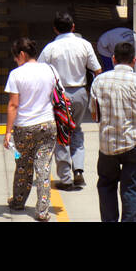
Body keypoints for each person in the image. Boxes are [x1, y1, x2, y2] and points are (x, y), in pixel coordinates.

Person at [88, 40, 136, 223]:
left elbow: (94, 114)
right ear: (134, 60)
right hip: (133, 145)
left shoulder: (99, 81)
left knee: (106, 186)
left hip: (107, 147)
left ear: (113, 59)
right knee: (132, 189)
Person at [38, 12, 102, 191]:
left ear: (55, 29)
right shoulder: (84, 44)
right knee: (77, 130)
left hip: (60, 96)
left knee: (61, 134)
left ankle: (66, 178)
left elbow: (40, 71)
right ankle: (79, 169)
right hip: (81, 93)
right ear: (73, 26)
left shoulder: (50, 48)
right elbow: (97, 70)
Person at [4, 37, 59, 221]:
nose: (14, 60)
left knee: (22, 165)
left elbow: (13, 105)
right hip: (48, 125)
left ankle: (18, 201)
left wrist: (8, 132)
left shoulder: (16, 74)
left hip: (23, 128)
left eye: (15, 56)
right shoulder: (50, 70)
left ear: (21, 54)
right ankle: (43, 210)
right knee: (43, 167)